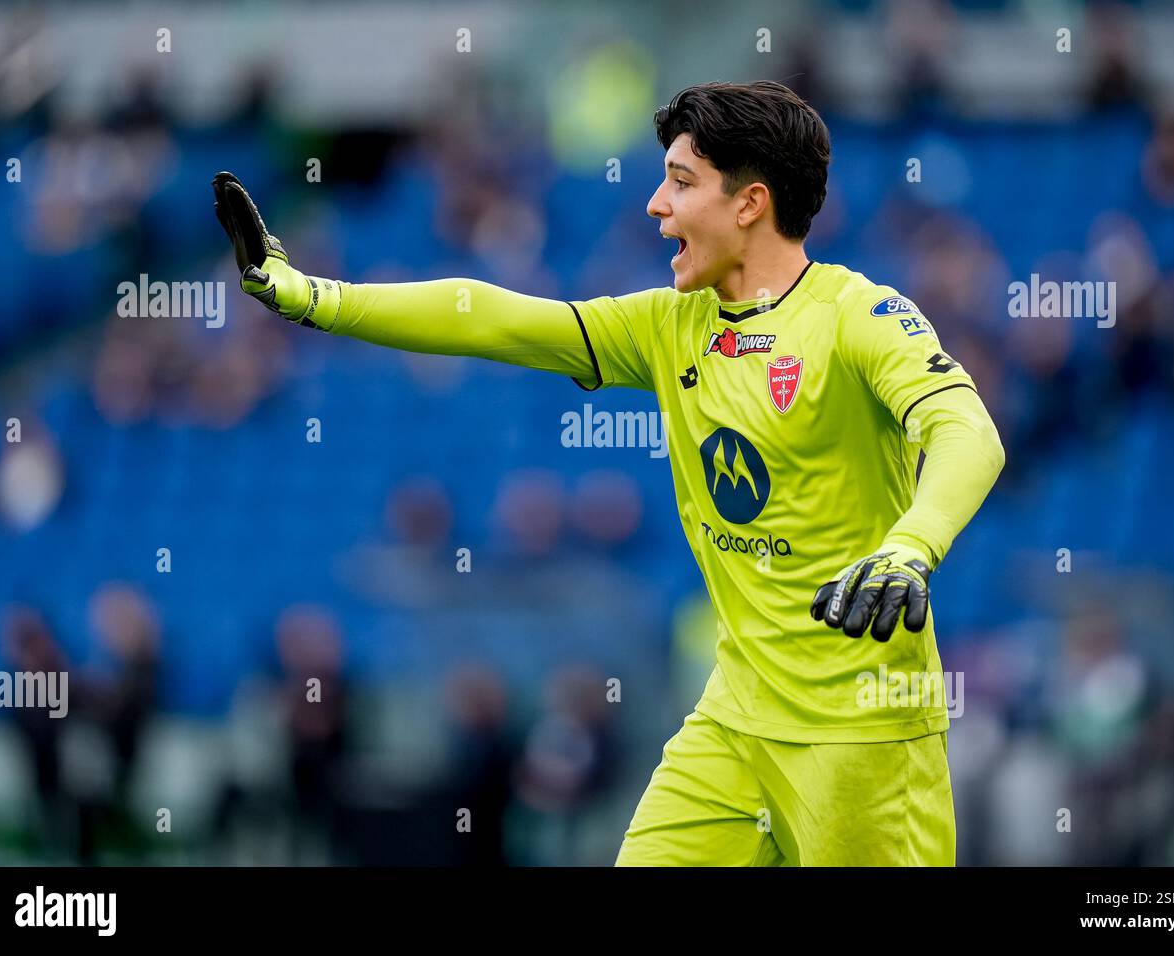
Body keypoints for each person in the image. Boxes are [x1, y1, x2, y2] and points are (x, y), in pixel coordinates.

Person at [213, 80, 1005, 866]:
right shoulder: (669, 326)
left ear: (749, 203)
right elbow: (489, 316)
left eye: (681, 182)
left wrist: (910, 549)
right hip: (735, 722)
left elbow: (968, 432)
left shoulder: (859, 317)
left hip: (860, 731)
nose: (657, 205)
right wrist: (312, 296)